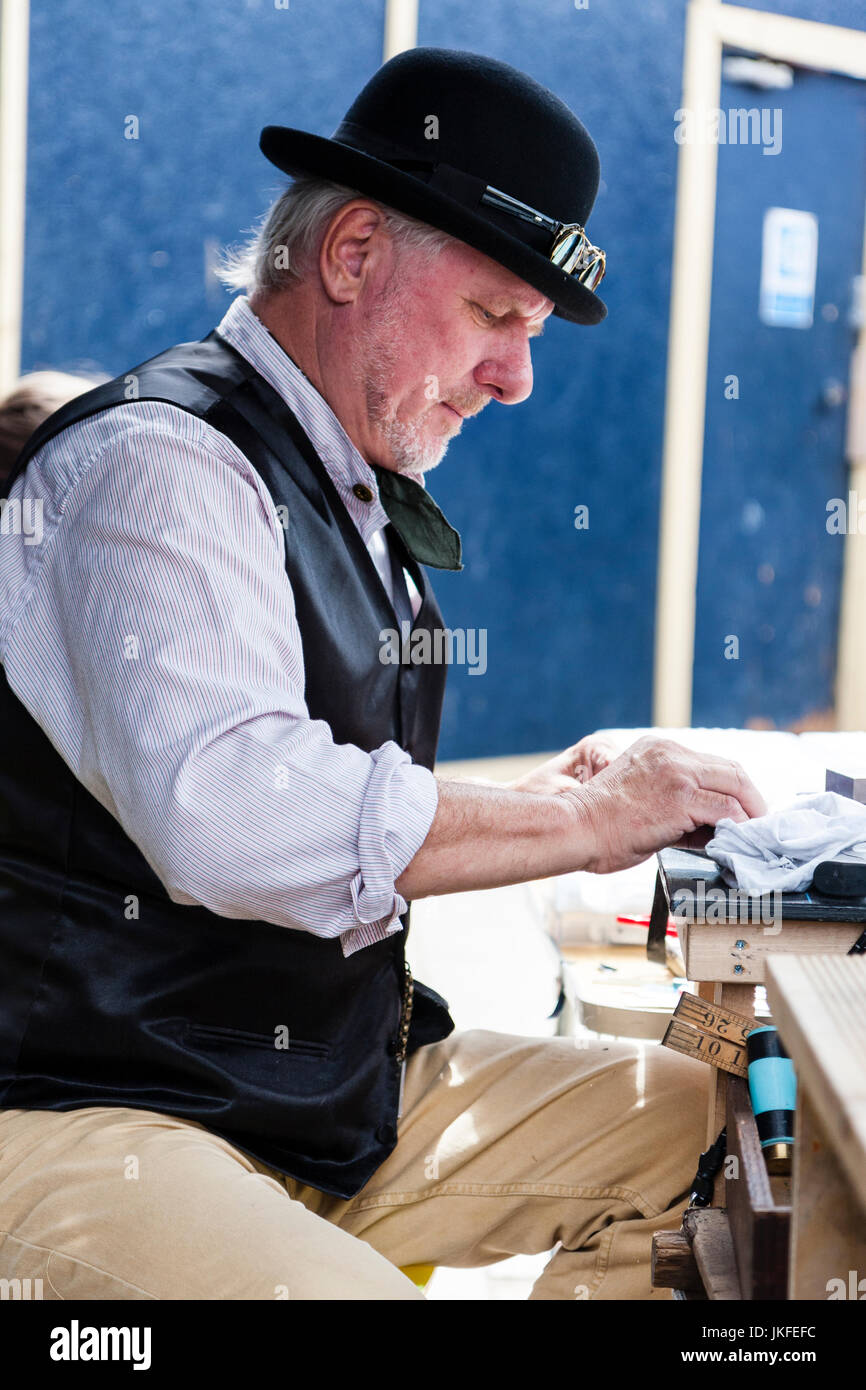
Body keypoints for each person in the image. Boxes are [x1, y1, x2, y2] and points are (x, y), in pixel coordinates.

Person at [0, 47, 765, 1301]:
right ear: (352, 253)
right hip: (91, 1109)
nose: (517, 379)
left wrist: (532, 804)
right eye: (496, 315)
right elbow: (233, 812)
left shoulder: (345, 485)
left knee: (717, 1137)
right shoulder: (160, 465)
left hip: (299, 1088)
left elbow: (324, 789)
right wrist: (577, 820)